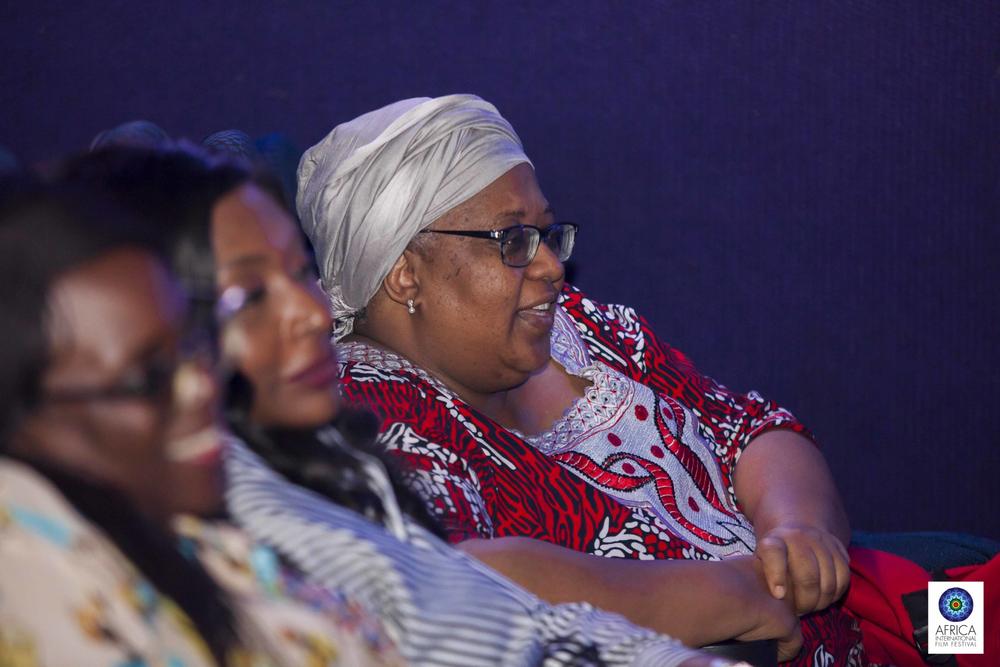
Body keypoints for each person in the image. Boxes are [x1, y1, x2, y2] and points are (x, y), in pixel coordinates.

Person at [61, 144, 735, 667]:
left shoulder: (321, 462)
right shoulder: (367, 414)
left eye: (301, 274)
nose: (310, 311)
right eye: (250, 297)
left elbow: (514, 620)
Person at [295, 94, 866, 665]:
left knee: (956, 610)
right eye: (512, 240)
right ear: (404, 275)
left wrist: (797, 528)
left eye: (545, 233)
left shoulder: (576, 327)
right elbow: (456, 583)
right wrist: (735, 593)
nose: (550, 265)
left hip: (882, 618)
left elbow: (748, 427)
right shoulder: (371, 413)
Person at [0, 181, 400, 666]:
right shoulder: (28, 570)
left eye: (194, 346)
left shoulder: (192, 537)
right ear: (20, 412)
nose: (203, 387)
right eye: (148, 378)